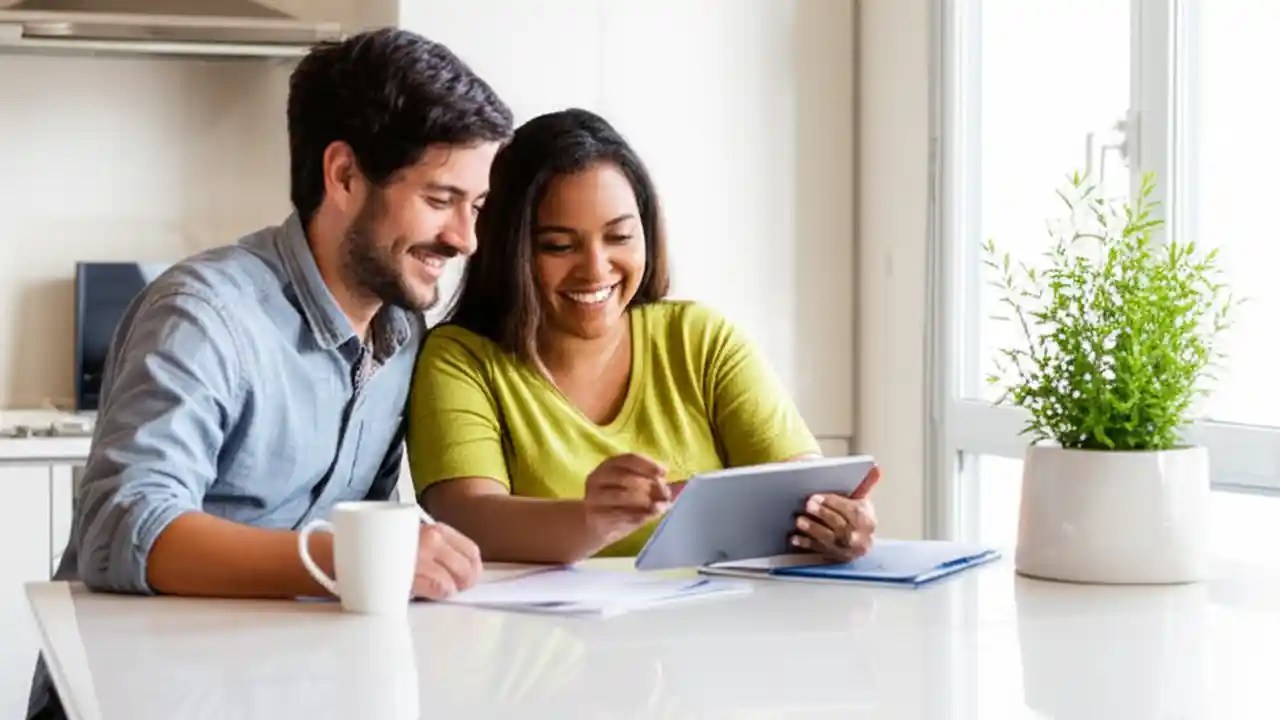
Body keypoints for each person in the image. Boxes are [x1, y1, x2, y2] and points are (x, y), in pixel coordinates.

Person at [28, 28, 512, 720]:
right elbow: (123, 528)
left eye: (478, 206)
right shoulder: (203, 315)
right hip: (131, 696)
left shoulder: (403, 333)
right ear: (343, 175)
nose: (465, 238)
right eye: (440, 199)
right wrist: (348, 560)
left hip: (277, 687)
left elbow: (360, 529)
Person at [407, 108, 878, 564]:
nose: (595, 268)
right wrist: (593, 521)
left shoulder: (699, 339)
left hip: (713, 630)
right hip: (539, 641)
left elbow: (797, 483)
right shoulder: (461, 358)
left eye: (620, 238)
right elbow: (468, 518)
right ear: (508, 249)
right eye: (559, 246)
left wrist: (835, 520)